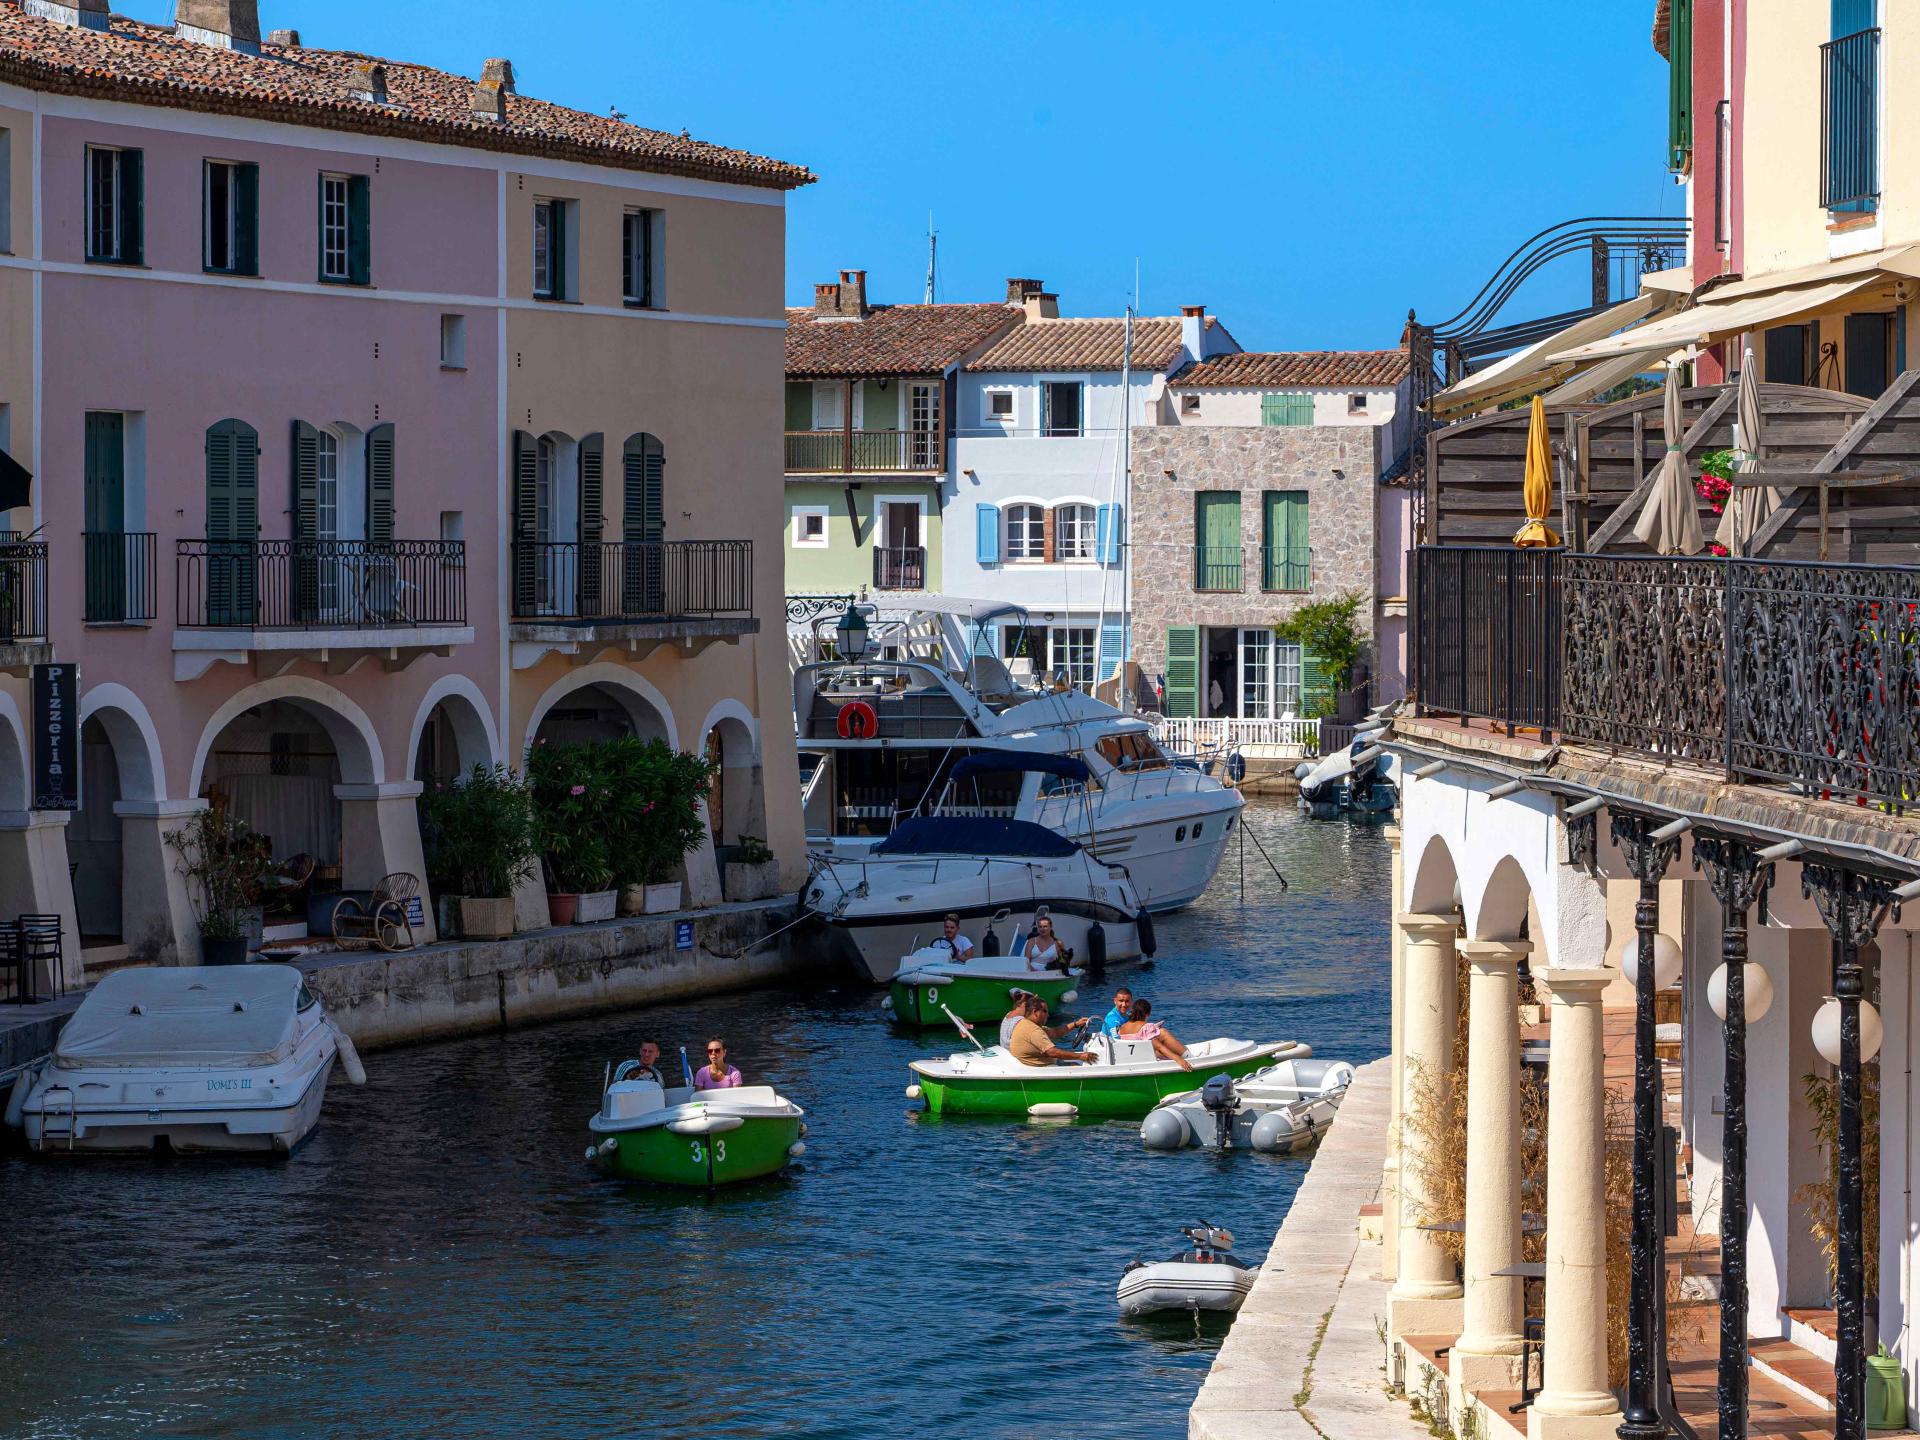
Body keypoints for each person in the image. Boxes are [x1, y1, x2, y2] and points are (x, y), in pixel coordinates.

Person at [1008, 996, 1093, 1068]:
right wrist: (1081, 1056)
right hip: (1042, 1068)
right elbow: (1052, 1052)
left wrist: (1076, 1024)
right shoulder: (1034, 1031)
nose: (1048, 1015)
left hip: (1038, 1064)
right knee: (1080, 1067)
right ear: (1035, 1012)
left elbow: (1055, 1032)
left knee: (1075, 1063)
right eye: (1045, 1011)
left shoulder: (1025, 1023)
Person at [1117, 998, 1191, 1071]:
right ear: (1148, 1014)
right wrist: (1178, 1059)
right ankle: (1189, 1056)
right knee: (1163, 1032)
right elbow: (1159, 1047)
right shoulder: (1146, 1026)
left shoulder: (1122, 1028)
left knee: (1159, 1035)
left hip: (1131, 1058)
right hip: (1145, 1058)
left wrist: (1154, 1030)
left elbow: (1136, 1038)